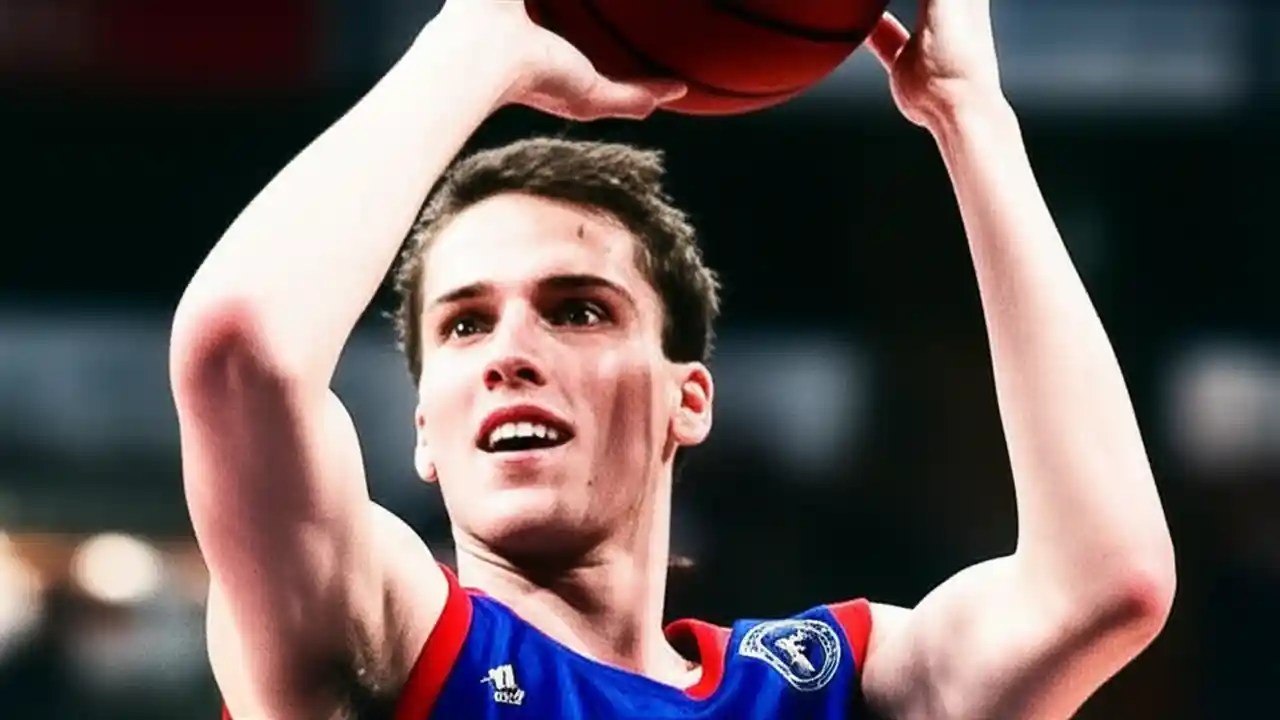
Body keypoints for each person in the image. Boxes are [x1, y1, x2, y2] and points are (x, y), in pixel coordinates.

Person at [168, 0, 1177, 718]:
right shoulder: (382, 640)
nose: (508, 353)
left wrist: (971, 120)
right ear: (423, 426)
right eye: (463, 325)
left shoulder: (825, 689)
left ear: (686, 399)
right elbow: (237, 353)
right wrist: (466, 47)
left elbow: (1106, 581)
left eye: (576, 311)